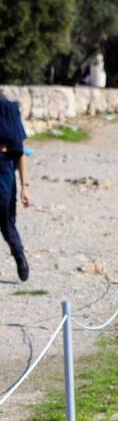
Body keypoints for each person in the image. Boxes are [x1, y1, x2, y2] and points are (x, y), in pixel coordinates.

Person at [0, 93, 30, 282]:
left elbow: (20, 154)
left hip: (3, 173)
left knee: (7, 224)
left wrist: (24, 187)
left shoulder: (8, 109)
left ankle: (19, 255)